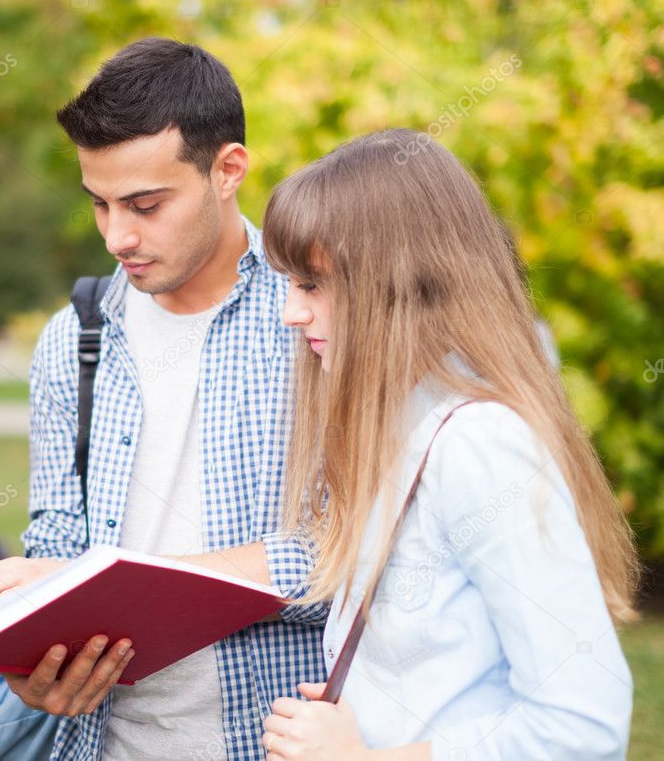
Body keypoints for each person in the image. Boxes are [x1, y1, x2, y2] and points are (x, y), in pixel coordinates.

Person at [0, 38, 328, 759]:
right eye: (99, 204)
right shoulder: (71, 341)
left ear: (227, 170)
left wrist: (139, 581)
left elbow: (352, 561)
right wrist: (33, 664)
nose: (117, 235)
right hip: (106, 741)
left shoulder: (317, 321)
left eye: (145, 204)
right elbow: (55, 544)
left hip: (276, 739)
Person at [255, 129, 637, 760]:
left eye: (313, 285)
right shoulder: (402, 425)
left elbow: (583, 727)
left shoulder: (481, 444)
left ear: (398, 282)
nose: (290, 313)